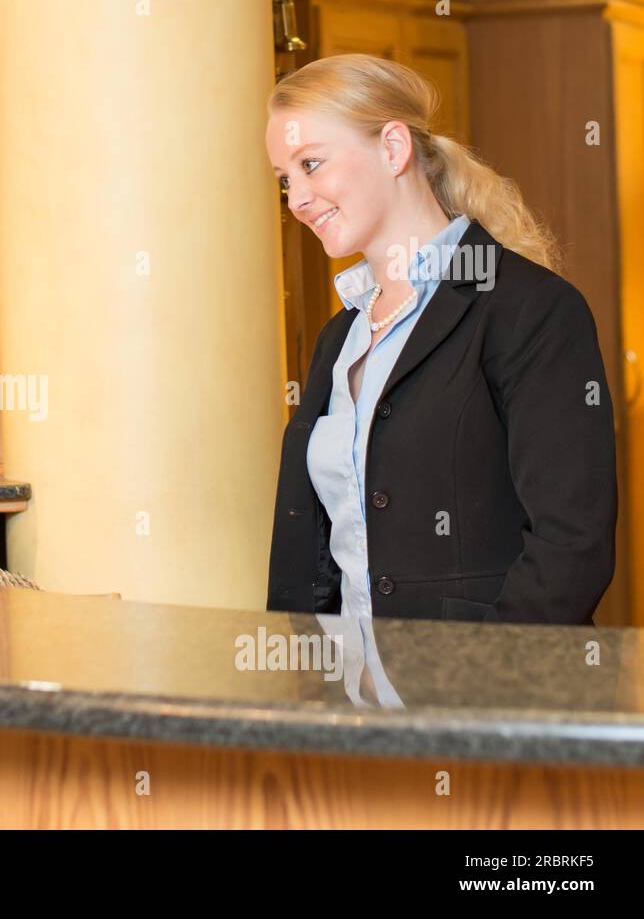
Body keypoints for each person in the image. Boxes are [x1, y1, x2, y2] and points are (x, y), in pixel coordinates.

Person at [264, 54, 616, 624]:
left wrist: (469, 696)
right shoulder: (341, 336)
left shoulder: (531, 309)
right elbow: (316, 554)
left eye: (311, 164)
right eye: (285, 180)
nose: (297, 200)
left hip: (482, 698)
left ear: (394, 148)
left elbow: (571, 548)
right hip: (349, 700)